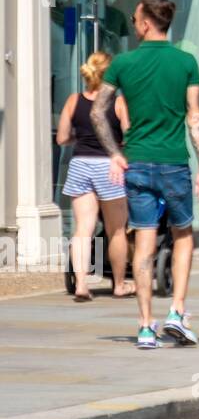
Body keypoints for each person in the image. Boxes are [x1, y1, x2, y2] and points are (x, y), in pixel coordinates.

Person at [92, 0, 199, 349]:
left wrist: (115, 153)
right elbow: (195, 118)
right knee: (183, 234)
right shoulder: (186, 62)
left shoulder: (123, 64)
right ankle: (176, 311)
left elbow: (98, 113)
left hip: (137, 163)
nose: (132, 22)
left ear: (145, 24)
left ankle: (145, 326)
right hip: (174, 162)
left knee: (142, 240)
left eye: (134, 17)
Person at [56, 51, 132, 300]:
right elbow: (128, 136)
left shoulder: (73, 100)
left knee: (83, 228)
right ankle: (119, 285)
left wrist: (82, 137)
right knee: (117, 230)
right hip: (109, 167)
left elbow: (62, 138)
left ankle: (81, 286)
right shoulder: (118, 103)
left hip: (80, 165)